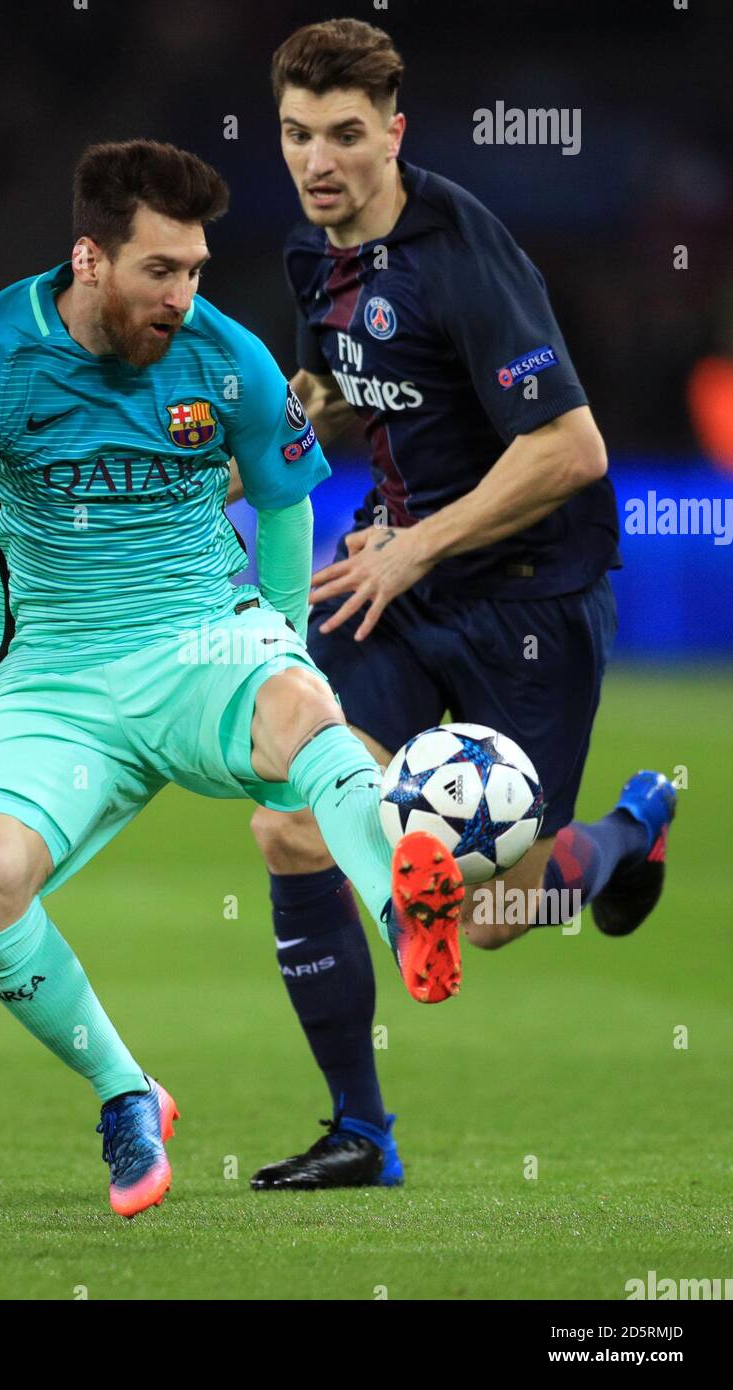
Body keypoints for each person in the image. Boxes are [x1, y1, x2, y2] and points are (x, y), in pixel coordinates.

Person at [0, 139, 463, 1219]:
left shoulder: (224, 356)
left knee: (302, 705)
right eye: (160, 271)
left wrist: (279, 643)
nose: (182, 296)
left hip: (202, 643)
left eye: (193, 269)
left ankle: (401, 905)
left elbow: (282, 508)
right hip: (53, 681)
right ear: (89, 260)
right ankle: (125, 1089)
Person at [238, 20, 676, 1193]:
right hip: (398, 583)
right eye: (293, 134)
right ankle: (359, 1133)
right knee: (291, 815)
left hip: (527, 601)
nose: (315, 160)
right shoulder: (312, 257)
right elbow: (342, 397)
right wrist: (241, 460)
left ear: (392, 131)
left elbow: (569, 447)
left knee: (487, 917)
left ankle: (629, 829)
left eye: (341, 135)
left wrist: (411, 544)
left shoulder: (459, 253)